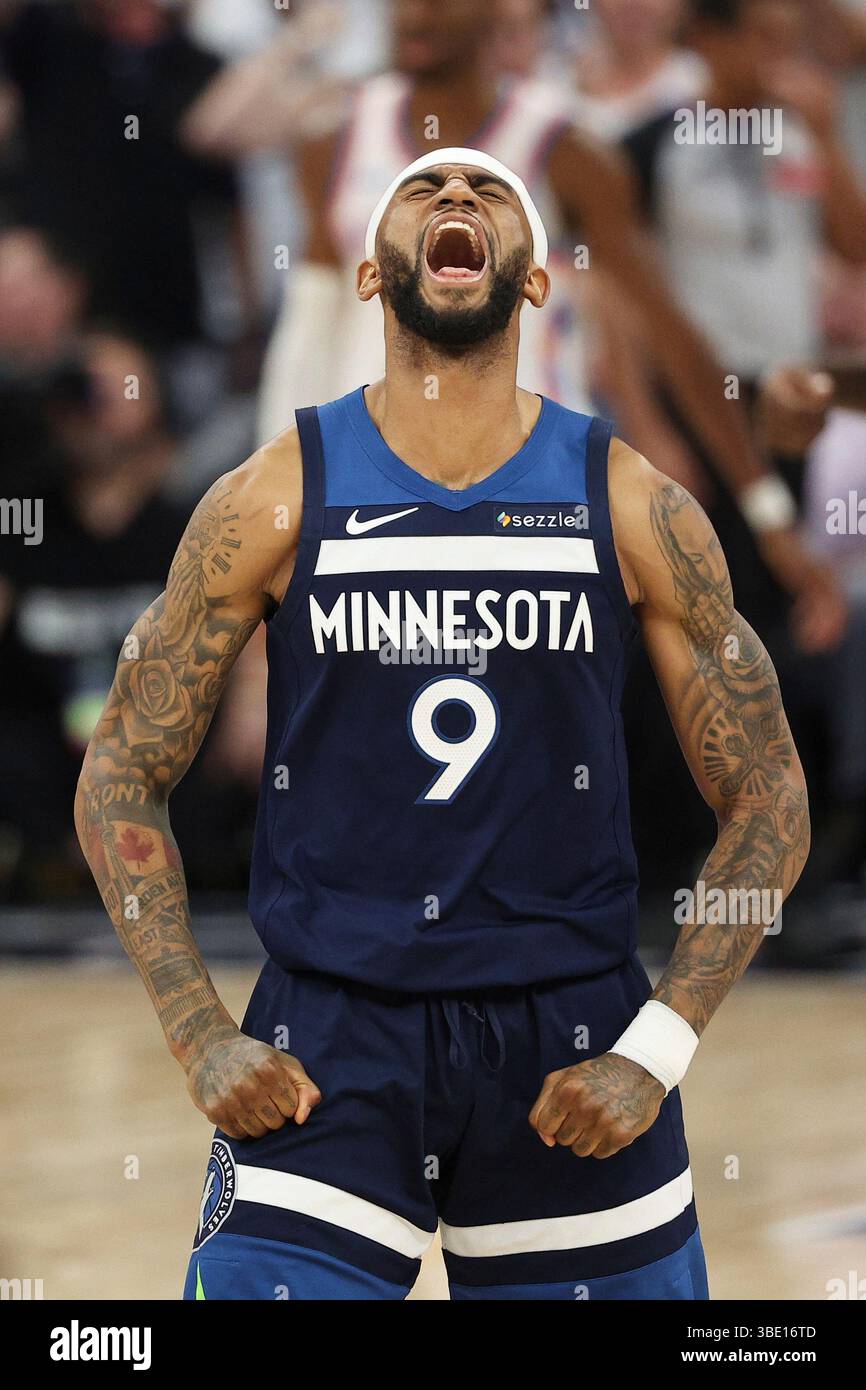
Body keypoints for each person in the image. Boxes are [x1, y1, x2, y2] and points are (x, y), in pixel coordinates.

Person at [76, 149, 810, 1300]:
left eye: (487, 192)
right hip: (330, 1029)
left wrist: (656, 1049)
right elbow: (119, 764)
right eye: (422, 190)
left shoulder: (630, 501)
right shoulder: (273, 492)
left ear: (532, 283)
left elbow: (768, 798)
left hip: (571, 1028)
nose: (456, 199)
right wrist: (198, 1031)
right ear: (370, 274)